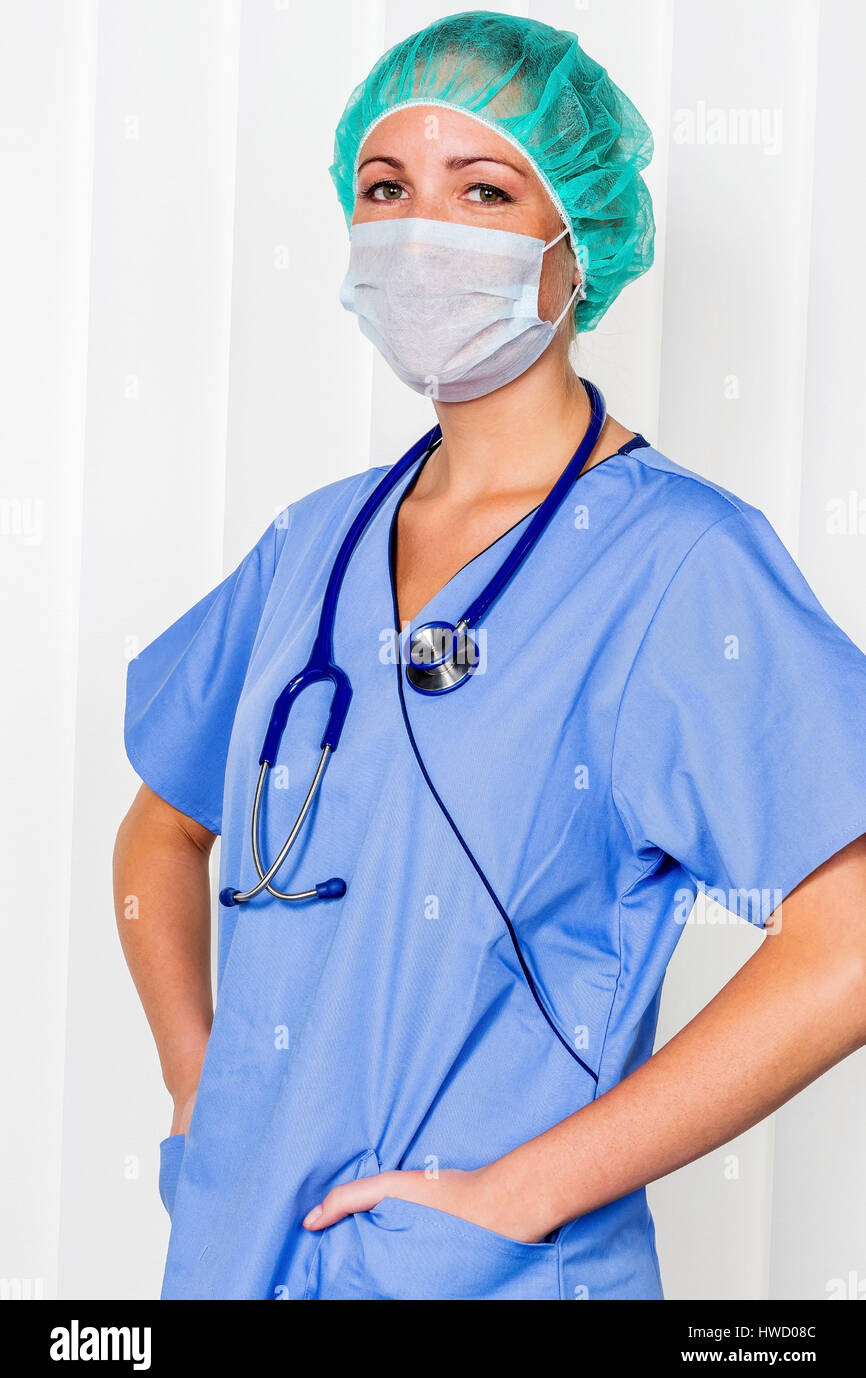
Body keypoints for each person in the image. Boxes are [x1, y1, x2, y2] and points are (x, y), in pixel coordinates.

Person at [115, 11, 866, 1301]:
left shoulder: (683, 566)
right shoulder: (314, 545)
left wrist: (519, 1196)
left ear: (581, 241)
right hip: (234, 1253)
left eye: (486, 188)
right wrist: (202, 1089)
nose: (425, 232)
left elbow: (846, 939)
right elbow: (158, 831)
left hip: (485, 1274)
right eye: (387, 189)